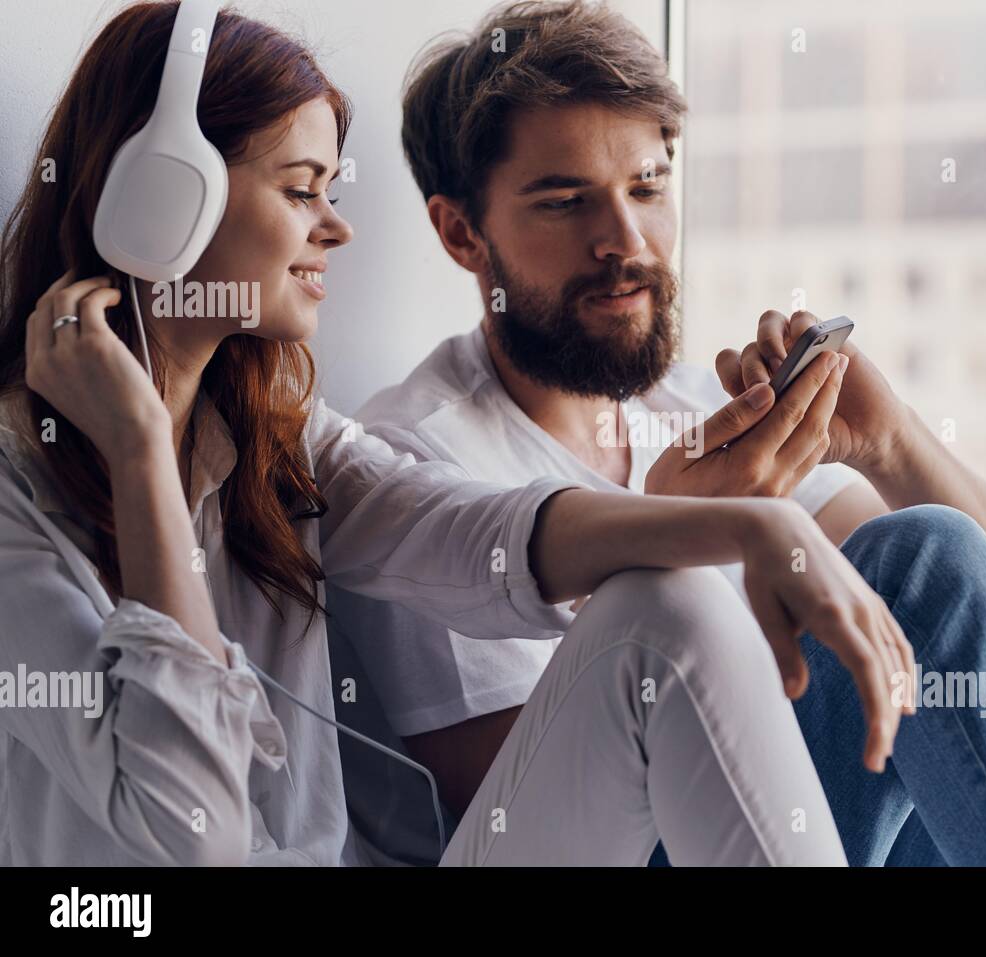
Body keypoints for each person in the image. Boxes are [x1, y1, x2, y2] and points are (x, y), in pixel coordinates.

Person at [329, 0, 986, 867]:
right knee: (915, 558)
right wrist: (663, 528)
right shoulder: (418, 465)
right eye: (565, 201)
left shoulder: (681, 414)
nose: (624, 240)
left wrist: (888, 442)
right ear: (462, 234)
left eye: (648, 186)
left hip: (836, 824)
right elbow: (531, 812)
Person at [0, 0, 922, 867]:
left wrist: (759, 526)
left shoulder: (277, 441)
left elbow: (477, 532)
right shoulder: (14, 495)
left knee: (668, 610)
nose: (337, 227)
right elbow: (189, 828)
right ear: (161, 205)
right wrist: (138, 456)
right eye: (300, 190)